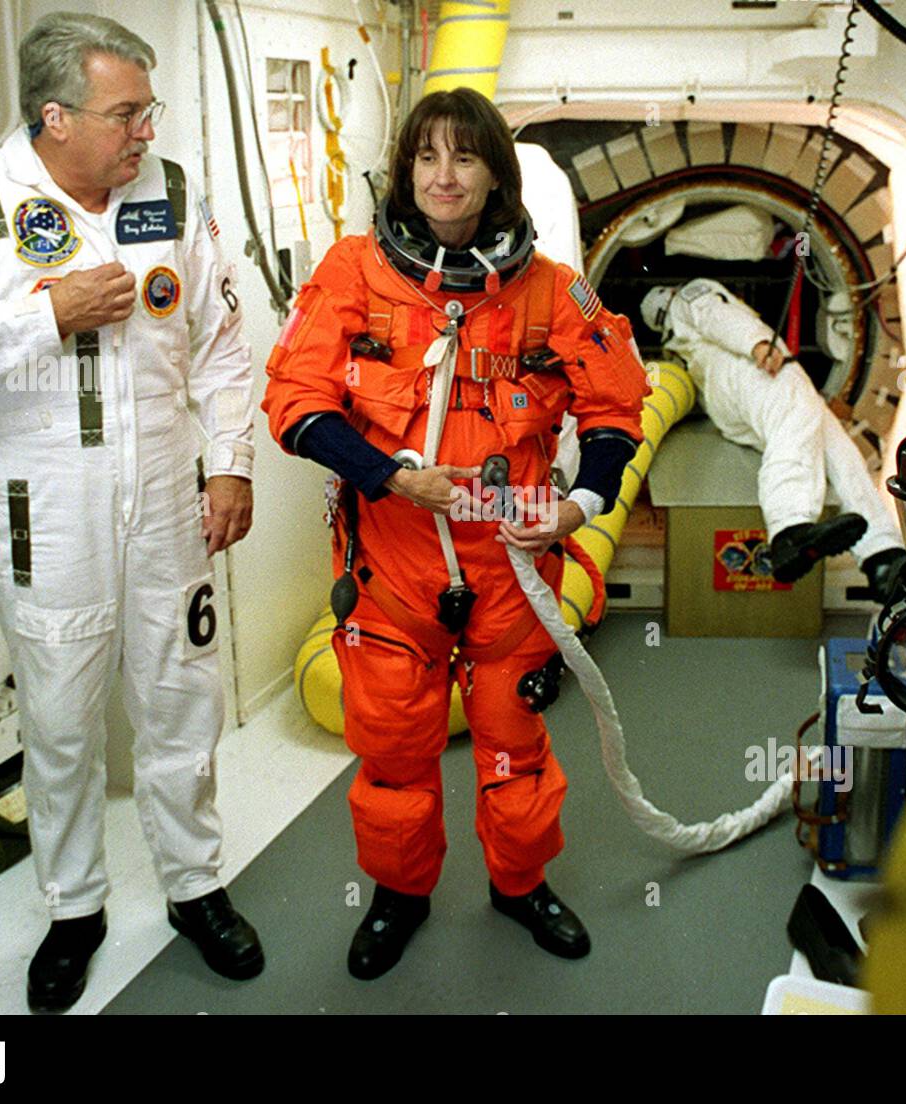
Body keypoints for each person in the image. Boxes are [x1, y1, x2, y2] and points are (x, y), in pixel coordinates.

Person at [0, 12, 263, 1012]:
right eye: (125, 113)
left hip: (167, 493)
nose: (145, 130)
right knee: (59, 723)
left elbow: (221, 345)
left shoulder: (171, 193)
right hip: (46, 503)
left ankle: (195, 886)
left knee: (180, 701)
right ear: (55, 116)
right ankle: (75, 909)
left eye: (147, 109)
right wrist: (46, 313)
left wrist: (230, 464)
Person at [263, 88, 649, 979]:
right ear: (405, 173)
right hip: (394, 574)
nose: (444, 176)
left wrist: (578, 507)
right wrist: (391, 476)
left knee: (516, 752)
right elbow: (295, 402)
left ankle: (520, 887)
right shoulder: (353, 273)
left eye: (464, 157)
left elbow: (615, 409)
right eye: (427, 157)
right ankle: (399, 896)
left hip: (512, 572)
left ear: (495, 176)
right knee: (395, 756)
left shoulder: (554, 291)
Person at [641, 279, 906, 599]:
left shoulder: (677, 348)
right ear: (669, 295)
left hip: (724, 402)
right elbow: (718, 317)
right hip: (747, 371)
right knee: (791, 431)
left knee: (839, 457)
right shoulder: (688, 298)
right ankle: (790, 529)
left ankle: (881, 556)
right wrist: (757, 343)